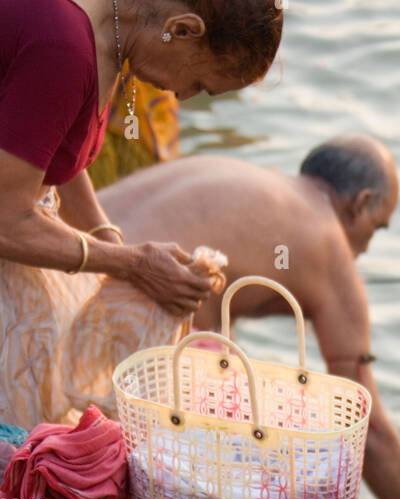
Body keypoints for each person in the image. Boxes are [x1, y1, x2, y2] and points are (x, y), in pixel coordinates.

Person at [101, 137, 400, 499]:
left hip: (63, 266)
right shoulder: (331, 245)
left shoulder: (253, 181)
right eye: (375, 230)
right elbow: (367, 426)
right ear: (360, 203)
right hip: (120, 307)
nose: (363, 251)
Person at [0, 1, 282, 423]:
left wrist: (108, 239)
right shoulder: (64, 49)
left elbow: (48, 150)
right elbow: (6, 220)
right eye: (200, 84)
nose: (183, 97)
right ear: (182, 28)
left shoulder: (110, 35)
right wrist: (132, 264)